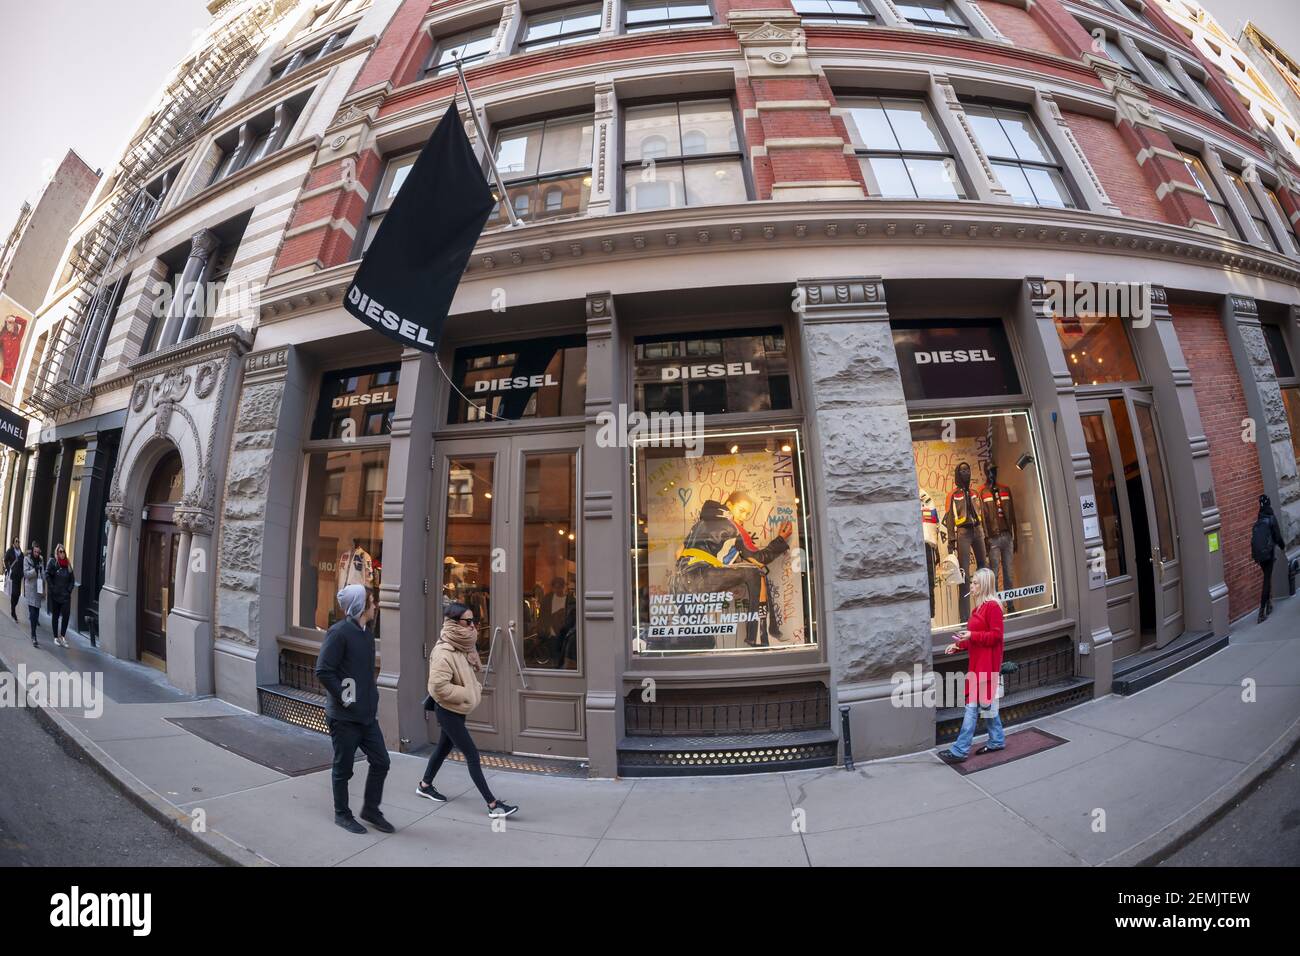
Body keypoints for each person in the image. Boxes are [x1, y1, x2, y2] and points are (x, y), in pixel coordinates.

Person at [417, 602, 518, 818]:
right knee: (472, 754)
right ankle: (493, 805)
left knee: (444, 747)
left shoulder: (462, 646)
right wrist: (468, 693)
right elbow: (437, 687)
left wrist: (473, 673)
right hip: (447, 710)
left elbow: (466, 674)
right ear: (454, 623)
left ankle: (425, 785)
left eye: (474, 621)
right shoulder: (444, 652)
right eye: (468, 621)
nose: (473, 626)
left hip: (457, 709)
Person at [314, 584, 393, 835]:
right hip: (344, 718)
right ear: (361, 605)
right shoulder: (338, 633)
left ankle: (371, 809)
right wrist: (346, 698)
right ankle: (342, 814)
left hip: (367, 716)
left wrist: (371, 698)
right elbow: (324, 671)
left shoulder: (367, 634)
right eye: (372, 601)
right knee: (343, 768)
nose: (375, 605)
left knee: (381, 761)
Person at [943, 567, 1005, 761]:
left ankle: (960, 750)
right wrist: (958, 645)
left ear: (985, 585)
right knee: (986, 706)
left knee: (972, 706)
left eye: (976, 582)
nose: (972, 585)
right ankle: (997, 740)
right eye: (972, 582)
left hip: (987, 664)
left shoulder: (993, 606)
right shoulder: (978, 608)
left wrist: (972, 635)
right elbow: (974, 638)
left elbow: (996, 636)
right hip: (977, 663)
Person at [1250, 494, 1286, 624]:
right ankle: (1261, 612)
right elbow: (1277, 536)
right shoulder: (1271, 518)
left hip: (1259, 555)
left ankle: (1269, 604)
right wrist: (1282, 546)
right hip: (1268, 554)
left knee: (1267, 575)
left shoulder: (1259, 519)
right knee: (1266, 580)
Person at [46, 544, 76, 648]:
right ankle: (55, 637)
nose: (62, 553)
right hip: (56, 595)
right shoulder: (53, 562)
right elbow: (47, 574)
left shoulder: (68, 564)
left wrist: (69, 590)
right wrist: (52, 587)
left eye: (63, 551)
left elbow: (72, 579)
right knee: (55, 616)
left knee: (66, 615)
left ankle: (62, 636)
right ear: (57, 552)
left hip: (66, 596)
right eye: (60, 551)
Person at [21, 542, 45, 647]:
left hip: (39, 589)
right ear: (32, 550)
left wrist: (44, 589)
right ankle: (33, 635)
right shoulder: (27, 559)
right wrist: (35, 570)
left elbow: (43, 574)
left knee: (36, 614)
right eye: (35, 551)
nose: (36, 553)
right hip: (30, 589)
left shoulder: (41, 560)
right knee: (33, 614)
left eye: (38, 552)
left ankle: (34, 632)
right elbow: (26, 574)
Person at [4, 537, 23, 622]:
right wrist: (9, 569)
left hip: (19, 576)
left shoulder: (21, 553)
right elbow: (5, 560)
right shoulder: (10, 551)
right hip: (13, 575)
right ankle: (13, 612)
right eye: (16, 541)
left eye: (18, 541)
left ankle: (13, 608)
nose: (18, 542)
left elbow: (23, 563)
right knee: (14, 593)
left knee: (18, 594)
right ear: (13, 542)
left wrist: (23, 573)